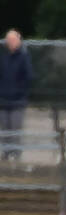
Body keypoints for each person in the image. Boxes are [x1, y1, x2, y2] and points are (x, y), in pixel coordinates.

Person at [0, 30, 33, 162]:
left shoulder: (24, 57)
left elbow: (29, 77)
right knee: (5, 129)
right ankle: (6, 153)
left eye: (13, 40)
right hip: (3, 100)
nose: (11, 43)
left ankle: (15, 155)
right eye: (9, 40)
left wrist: (20, 92)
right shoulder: (4, 58)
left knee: (15, 129)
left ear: (19, 41)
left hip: (18, 101)